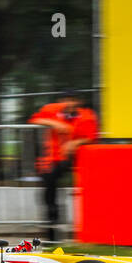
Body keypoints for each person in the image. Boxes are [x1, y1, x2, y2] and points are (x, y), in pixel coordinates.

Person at [29, 91, 98, 240]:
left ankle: (61, 223)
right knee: (48, 184)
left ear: (78, 102)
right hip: (54, 158)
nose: (69, 103)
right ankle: (52, 224)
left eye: (72, 100)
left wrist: (75, 143)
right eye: (66, 100)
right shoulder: (51, 110)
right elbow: (34, 119)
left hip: (77, 158)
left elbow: (91, 136)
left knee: (54, 180)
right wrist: (54, 123)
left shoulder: (87, 115)